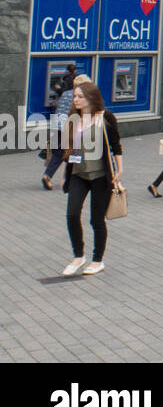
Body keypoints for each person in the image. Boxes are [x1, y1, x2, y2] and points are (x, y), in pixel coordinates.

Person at [58, 81, 123, 277]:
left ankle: (97, 260)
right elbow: (68, 149)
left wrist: (120, 170)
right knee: (71, 214)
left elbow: (116, 145)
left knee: (96, 220)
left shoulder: (105, 117)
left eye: (80, 96)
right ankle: (78, 256)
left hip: (100, 176)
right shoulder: (73, 118)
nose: (76, 100)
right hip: (79, 173)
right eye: (75, 96)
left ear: (91, 98)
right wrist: (64, 173)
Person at [41, 67, 84, 190]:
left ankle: (47, 175)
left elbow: (59, 109)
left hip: (59, 125)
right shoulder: (80, 96)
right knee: (73, 152)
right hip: (70, 127)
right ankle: (72, 180)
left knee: (59, 153)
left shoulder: (65, 93)